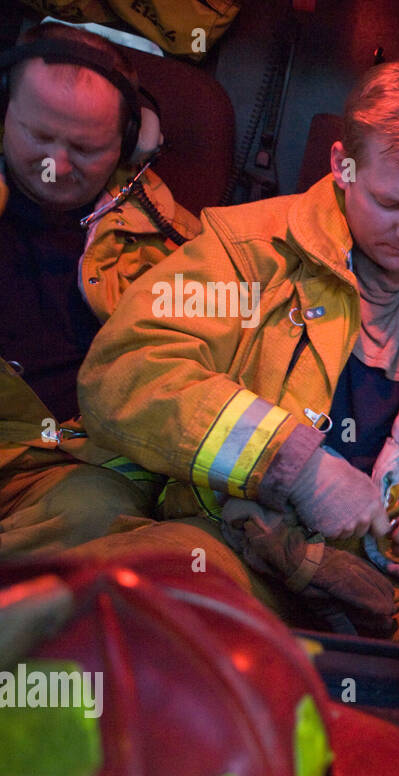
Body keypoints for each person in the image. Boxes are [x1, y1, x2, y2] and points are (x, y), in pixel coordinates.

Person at [78, 60, 399, 637]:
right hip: (245, 544)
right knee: (164, 617)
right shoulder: (249, 253)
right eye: (390, 204)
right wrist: (295, 468)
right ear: (341, 166)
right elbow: (125, 371)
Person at [0, 22, 197, 555]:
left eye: (85, 149)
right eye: (38, 137)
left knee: (99, 517)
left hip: (66, 467)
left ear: (131, 144)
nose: (55, 167)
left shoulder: (177, 245)